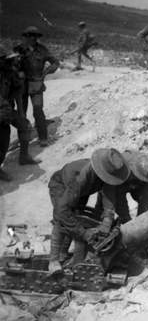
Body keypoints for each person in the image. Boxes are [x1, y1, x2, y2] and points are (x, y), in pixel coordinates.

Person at [47, 148, 130, 273]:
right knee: (63, 220)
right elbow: (62, 211)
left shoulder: (108, 172)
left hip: (82, 192)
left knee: (77, 218)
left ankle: (66, 256)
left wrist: (107, 221)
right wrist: (84, 234)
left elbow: (109, 196)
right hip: (62, 186)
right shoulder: (82, 177)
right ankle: (54, 261)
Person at [0, 46, 40, 181]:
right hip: (2, 112)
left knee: (24, 125)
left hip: (6, 110)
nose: (9, 62)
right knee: (2, 139)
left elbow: (17, 93)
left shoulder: (10, 73)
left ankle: (24, 157)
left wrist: (22, 113)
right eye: (5, 60)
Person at [19, 26, 59, 147]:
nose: (32, 38)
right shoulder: (19, 49)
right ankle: (23, 141)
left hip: (36, 84)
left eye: (34, 35)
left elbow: (55, 62)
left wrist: (46, 72)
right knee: (22, 113)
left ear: (37, 37)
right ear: (25, 36)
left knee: (38, 110)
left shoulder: (42, 50)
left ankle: (43, 138)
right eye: (29, 35)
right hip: (21, 86)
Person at [95, 150, 148, 223]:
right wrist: (126, 219)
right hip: (118, 183)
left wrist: (141, 223)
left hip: (137, 184)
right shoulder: (122, 164)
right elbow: (114, 194)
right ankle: (97, 217)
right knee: (106, 204)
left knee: (144, 217)